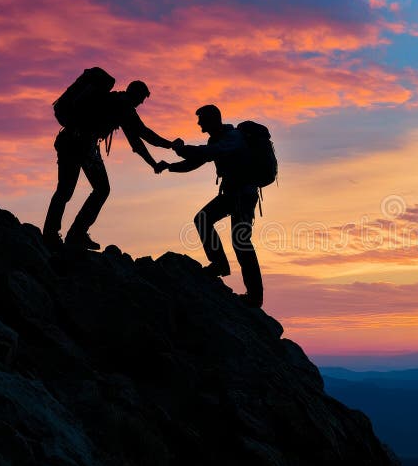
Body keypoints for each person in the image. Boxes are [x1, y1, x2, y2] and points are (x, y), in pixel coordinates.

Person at [43, 80, 177, 250]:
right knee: (91, 190)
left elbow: (136, 142)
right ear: (135, 94)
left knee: (69, 190)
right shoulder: (124, 106)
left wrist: (153, 164)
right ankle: (70, 234)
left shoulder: (118, 103)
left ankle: (58, 233)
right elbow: (144, 134)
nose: (141, 103)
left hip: (73, 142)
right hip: (80, 146)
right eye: (141, 98)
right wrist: (171, 145)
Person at [163, 104, 264, 307]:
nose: (198, 123)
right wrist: (170, 166)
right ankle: (219, 264)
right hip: (232, 194)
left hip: (243, 195)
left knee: (241, 243)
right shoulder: (216, 139)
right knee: (203, 219)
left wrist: (182, 150)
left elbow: (207, 153)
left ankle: (254, 297)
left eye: (201, 119)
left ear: (212, 119)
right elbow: (197, 161)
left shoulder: (232, 137)